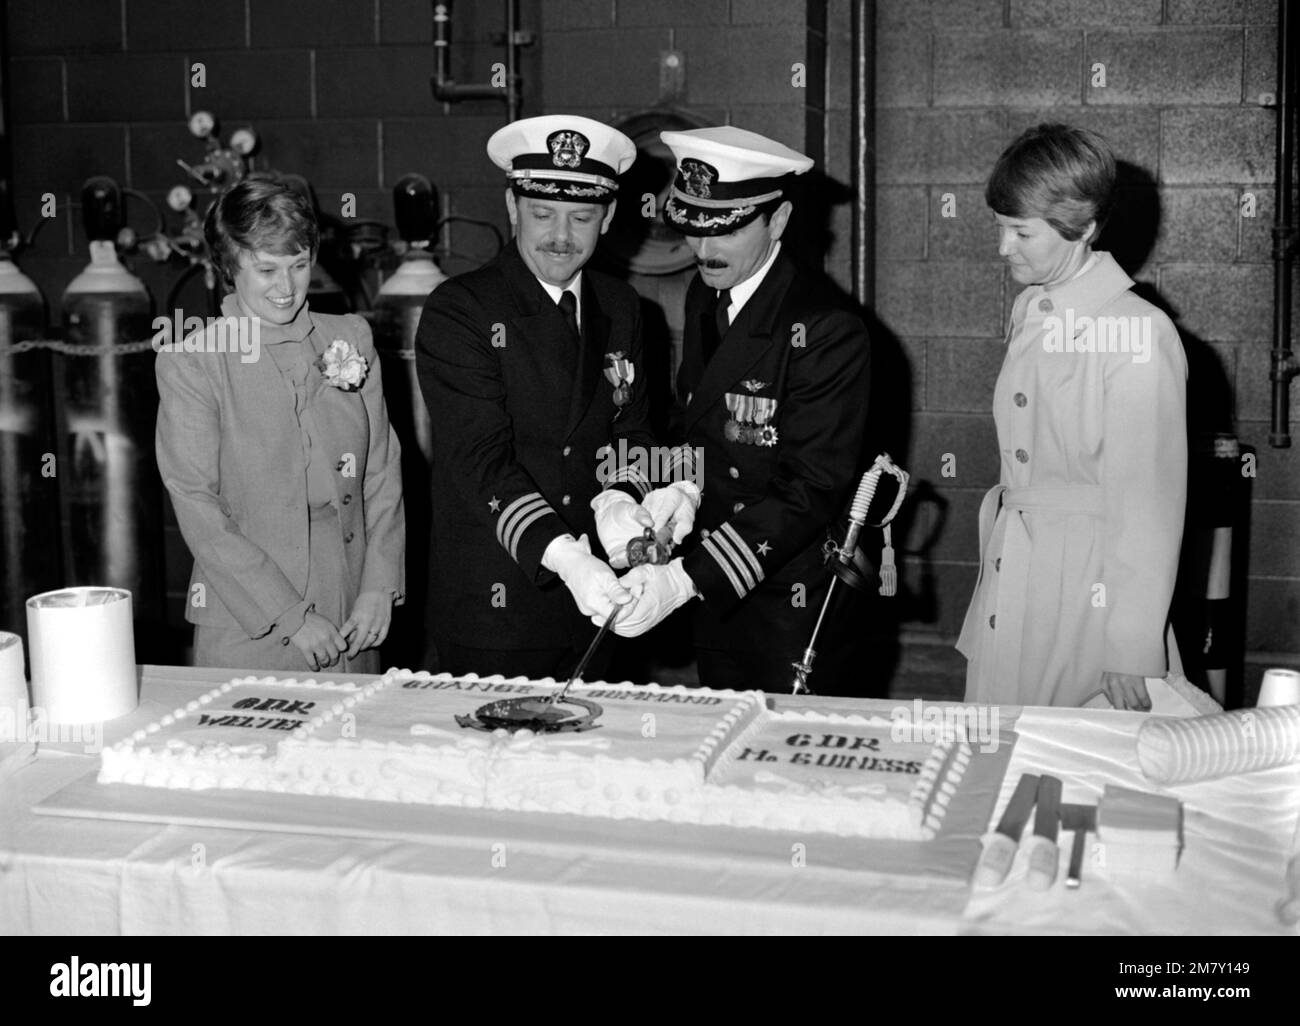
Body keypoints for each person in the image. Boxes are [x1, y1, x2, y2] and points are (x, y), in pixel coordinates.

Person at [609, 126, 872, 695]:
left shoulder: (826, 328)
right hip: (717, 595)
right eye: (694, 229)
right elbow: (696, 429)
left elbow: (812, 486)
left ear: (777, 221)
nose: (705, 250)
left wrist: (686, 578)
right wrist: (671, 492)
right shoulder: (711, 292)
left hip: (787, 600)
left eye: (725, 230)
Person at [415, 115, 665, 679]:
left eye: (581, 217)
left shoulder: (621, 307)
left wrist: (622, 503)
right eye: (542, 214)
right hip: (499, 605)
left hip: (603, 600)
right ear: (511, 208)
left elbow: (635, 431)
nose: (561, 236)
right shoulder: (462, 309)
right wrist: (568, 558)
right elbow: (479, 461)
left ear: (609, 217)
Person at [957, 123, 1188, 710]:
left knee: (1064, 767)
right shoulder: (1031, 308)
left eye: (1020, 231)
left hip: (1089, 594)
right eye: (1000, 226)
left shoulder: (1139, 332)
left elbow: (1148, 503)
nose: (1003, 246)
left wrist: (1130, 646)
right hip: (1017, 574)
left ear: (1083, 228)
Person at [156, 172, 405, 673]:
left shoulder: (351, 336)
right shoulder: (195, 360)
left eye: (298, 264)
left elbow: (381, 472)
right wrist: (290, 615)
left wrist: (379, 585)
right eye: (266, 270)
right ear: (229, 266)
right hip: (248, 614)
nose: (287, 287)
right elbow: (198, 507)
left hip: (351, 607)